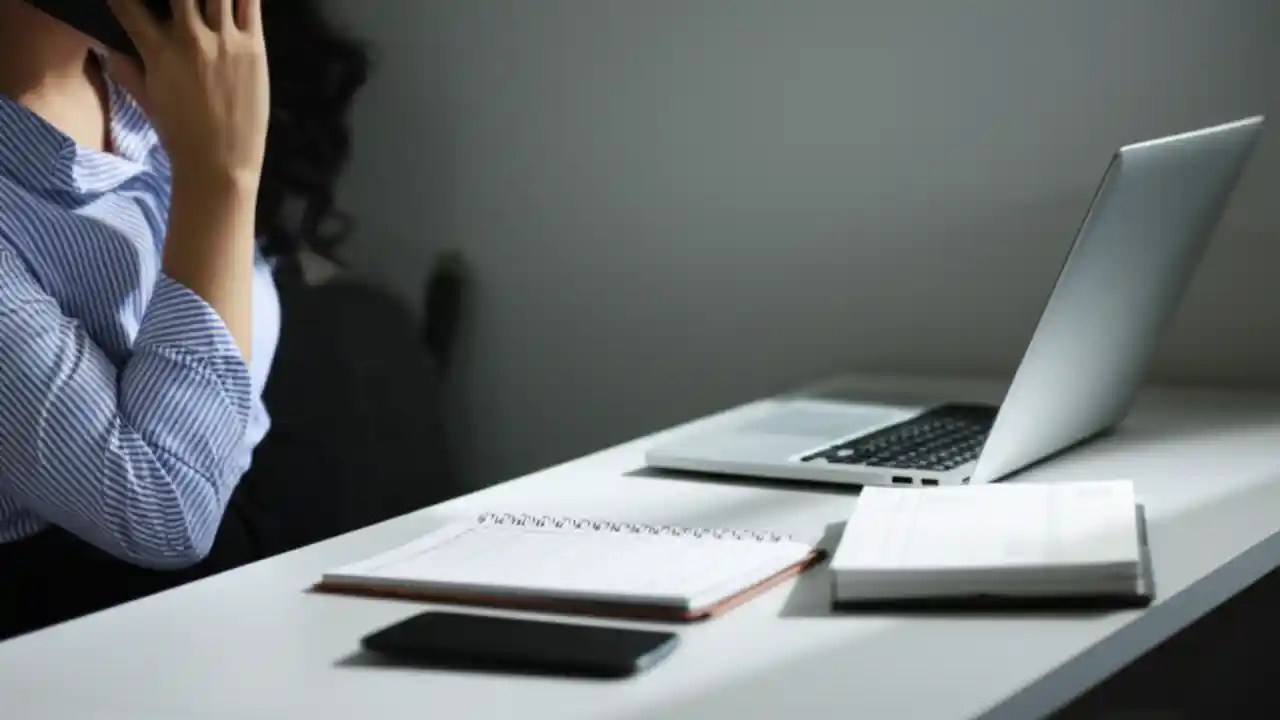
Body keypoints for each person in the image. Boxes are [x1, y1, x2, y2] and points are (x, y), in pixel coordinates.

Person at [0, 0, 365, 640]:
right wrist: (219, 178)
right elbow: (163, 511)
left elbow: (234, 428)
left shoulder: (149, 86)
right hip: (65, 641)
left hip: (243, 588)